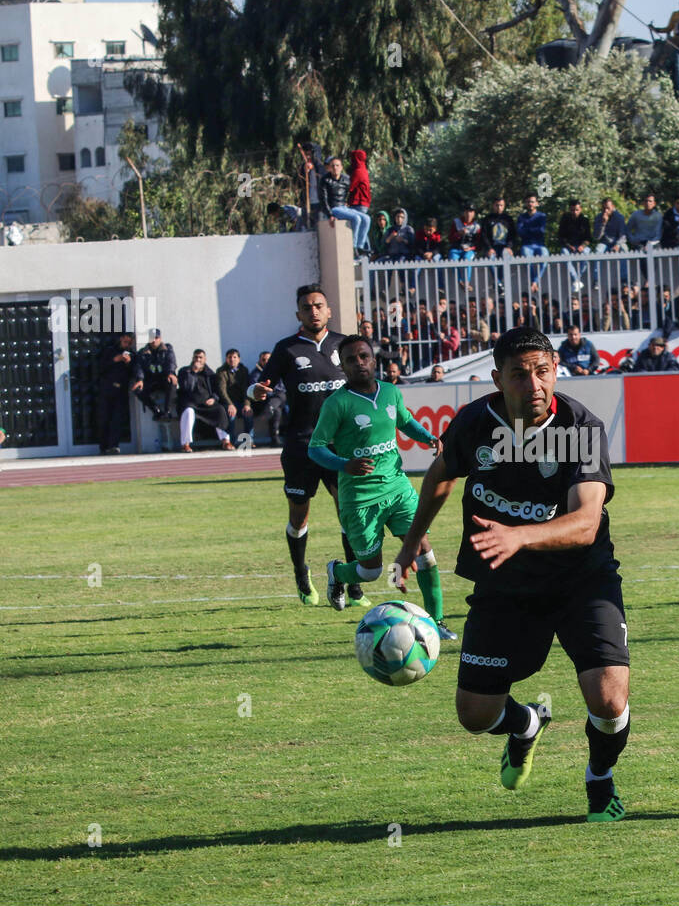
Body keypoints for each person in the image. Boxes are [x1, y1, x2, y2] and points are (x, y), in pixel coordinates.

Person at [392, 327, 633, 823]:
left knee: (609, 700)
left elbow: (587, 523)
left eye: (543, 372)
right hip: (505, 584)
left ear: (556, 371)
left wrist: (520, 534)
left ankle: (599, 778)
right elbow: (441, 475)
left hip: (581, 581)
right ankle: (525, 722)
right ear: (498, 378)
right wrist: (413, 540)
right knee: (474, 716)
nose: (534, 384)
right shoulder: (477, 421)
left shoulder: (580, 430)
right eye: (520, 375)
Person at [306, 334, 455, 636]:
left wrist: (428, 436)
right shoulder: (337, 404)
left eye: (364, 356)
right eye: (351, 359)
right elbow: (315, 447)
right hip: (360, 497)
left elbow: (404, 420)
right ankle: (337, 571)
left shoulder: (389, 392)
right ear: (343, 367)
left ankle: (436, 622)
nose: (359, 363)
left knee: (423, 548)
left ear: (374, 360)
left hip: (397, 487)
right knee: (370, 570)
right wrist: (343, 464)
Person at [249, 284, 365, 608]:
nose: (313, 311)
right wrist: (254, 393)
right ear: (298, 314)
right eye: (307, 307)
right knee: (299, 515)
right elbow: (261, 387)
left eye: (319, 305)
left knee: (349, 512)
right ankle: (302, 574)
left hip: (340, 446)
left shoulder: (345, 345)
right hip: (302, 445)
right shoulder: (286, 349)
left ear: (328, 311)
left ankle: (351, 583)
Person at [177, 349, 234, 453]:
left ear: (205, 359)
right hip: (190, 403)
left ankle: (226, 441)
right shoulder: (184, 372)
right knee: (188, 412)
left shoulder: (210, 374)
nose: (198, 359)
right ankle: (185, 444)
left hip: (206, 404)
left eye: (200, 357)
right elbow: (185, 387)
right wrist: (193, 372)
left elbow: (217, 391)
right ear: (192, 358)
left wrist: (213, 399)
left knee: (220, 410)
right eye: (196, 357)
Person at [321, 155, 370, 256]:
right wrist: (330, 214)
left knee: (366, 218)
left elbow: (352, 191)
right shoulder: (325, 180)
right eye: (333, 166)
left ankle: (360, 246)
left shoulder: (346, 179)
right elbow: (323, 200)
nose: (335, 168)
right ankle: (353, 246)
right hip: (334, 208)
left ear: (341, 167)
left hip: (344, 207)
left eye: (337, 165)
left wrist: (350, 203)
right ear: (330, 167)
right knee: (356, 218)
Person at [97, 332, 135, 455]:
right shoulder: (110, 351)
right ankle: (103, 447)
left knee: (117, 419)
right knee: (104, 418)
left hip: (121, 390)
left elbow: (134, 371)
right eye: (125, 342)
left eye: (129, 343)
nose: (127, 345)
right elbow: (101, 367)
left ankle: (114, 445)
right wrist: (115, 360)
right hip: (107, 389)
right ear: (120, 340)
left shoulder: (132, 355)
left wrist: (129, 363)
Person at [131, 328, 177, 422]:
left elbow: (171, 361)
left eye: (156, 337)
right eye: (152, 338)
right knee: (137, 389)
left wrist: (171, 373)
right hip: (151, 380)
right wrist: (140, 379)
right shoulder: (143, 352)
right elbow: (139, 367)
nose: (154, 340)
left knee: (172, 382)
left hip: (164, 378)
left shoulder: (167, 348)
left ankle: (167, 412)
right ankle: (156, 411)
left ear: (160, 338)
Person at [215, 348, 253, 445]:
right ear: (226, 359)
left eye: (234, 357)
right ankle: (231, 441)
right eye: (229, 357)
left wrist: (247, 404)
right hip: (228, 402)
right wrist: (230, 404)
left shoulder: (244, 370)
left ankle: (249, 440)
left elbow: (247, 389)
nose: (232, 359)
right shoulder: (221, 371)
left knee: (248, 413)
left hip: (241, 402)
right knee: (231, 415)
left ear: (239, 359)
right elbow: (222, 390)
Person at [249, 350, 285, 446]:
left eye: (268, 359)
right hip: (263, 401)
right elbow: (256, 389)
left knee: (280, 396)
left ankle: (270, 407)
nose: (266, 362)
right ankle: (275, 439)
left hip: (280, 397)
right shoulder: (256, 373)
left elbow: (282, 387)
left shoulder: (278, 370)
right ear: (260, 361)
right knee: (277, 411)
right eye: (263, 360)